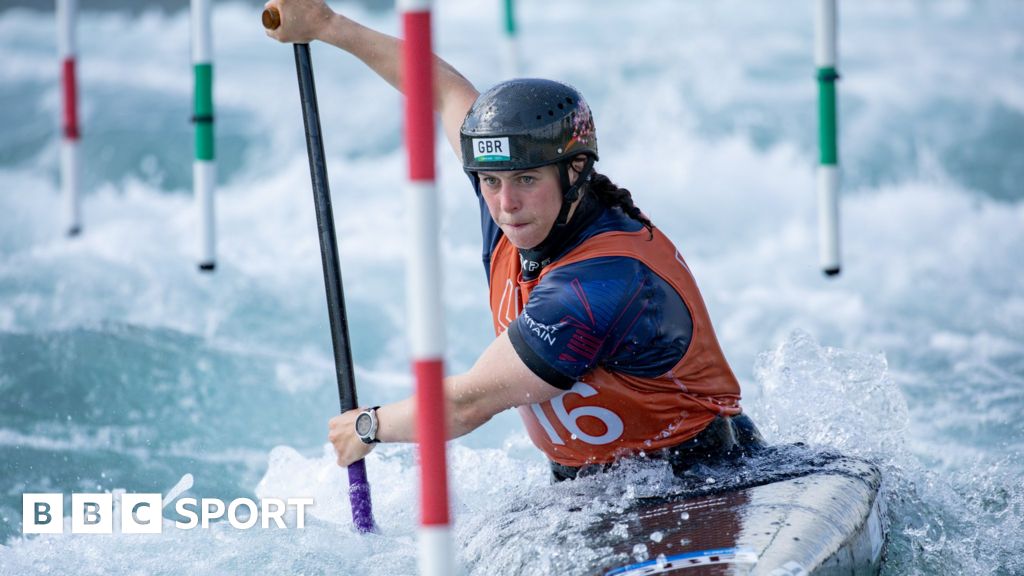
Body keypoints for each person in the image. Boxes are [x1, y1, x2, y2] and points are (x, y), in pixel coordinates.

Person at [265, 0, 763, 482]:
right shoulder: (522, 212)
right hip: (594, 483)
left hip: (698, 478)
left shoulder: (599, 284)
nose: (505, 204)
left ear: (575, 171)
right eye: (490, 181)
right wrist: (328, 25)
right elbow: (442, 91)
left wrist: (368, 426)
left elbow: (468, 404)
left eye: (526, 180)